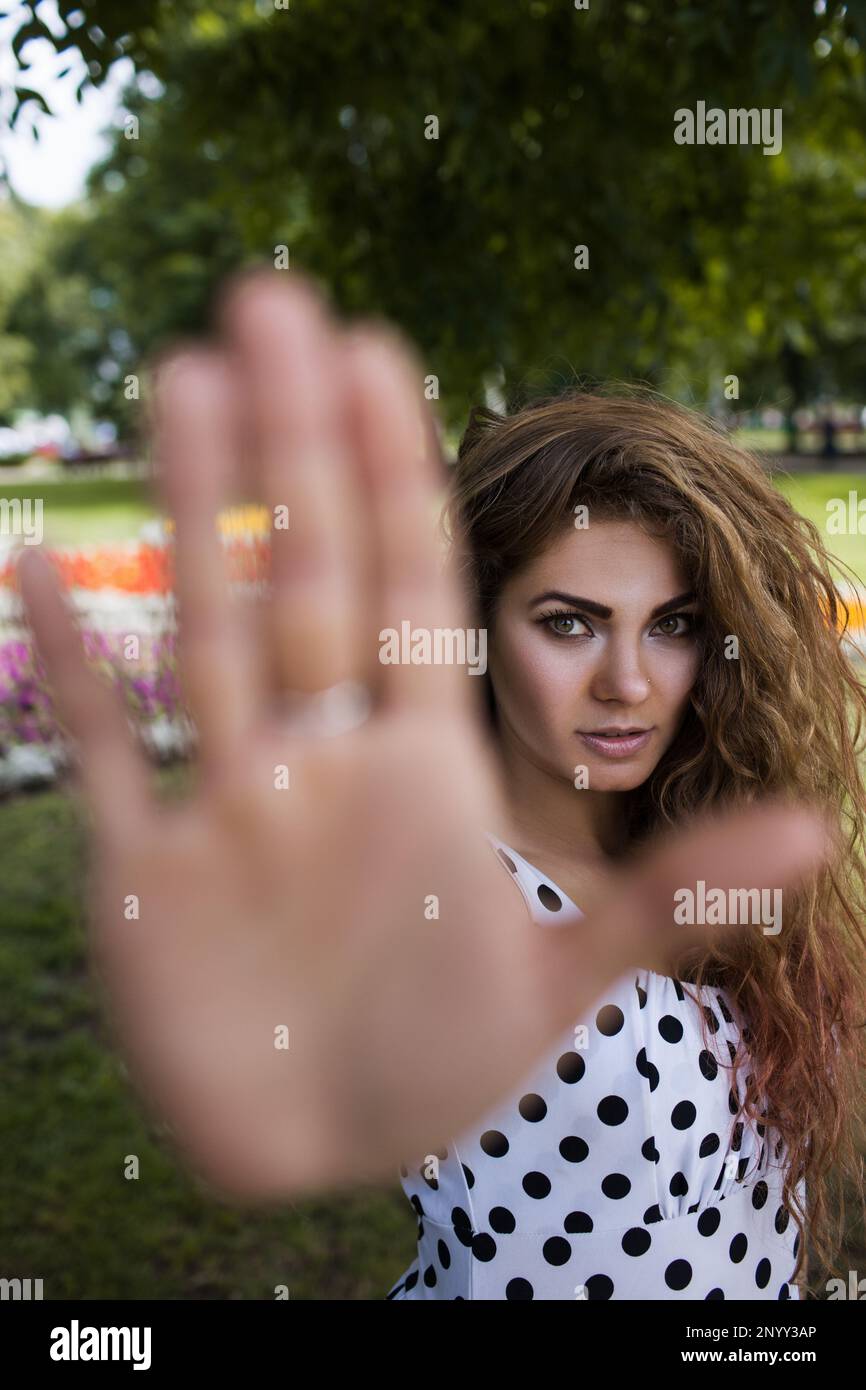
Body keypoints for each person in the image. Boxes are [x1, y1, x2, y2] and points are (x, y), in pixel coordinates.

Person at [14, 269, 858, 1302]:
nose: (628, 681)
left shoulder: (695, 826)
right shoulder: (438, 895)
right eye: (567, 621)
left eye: (672, 624)